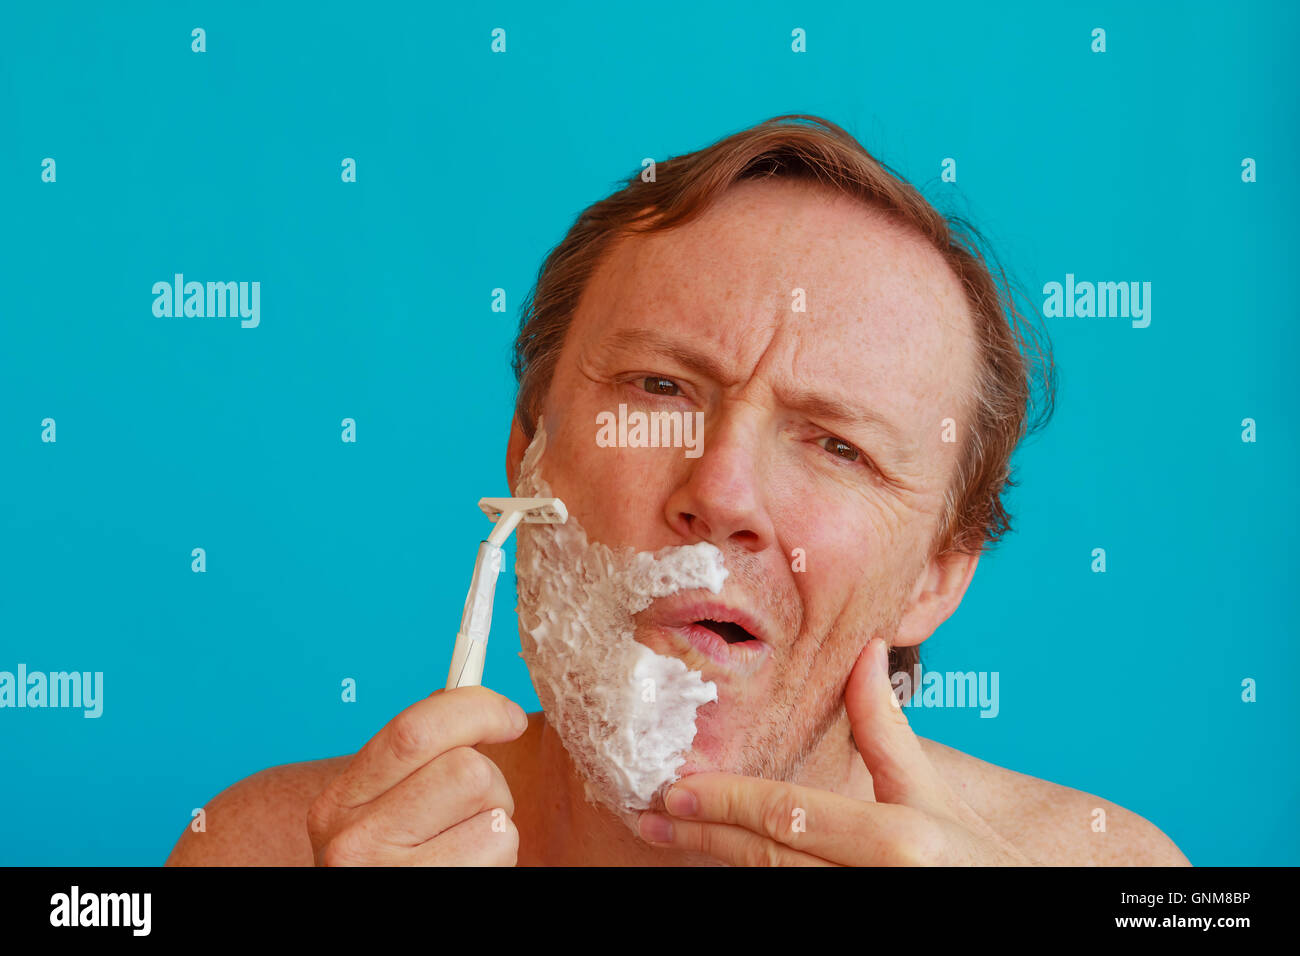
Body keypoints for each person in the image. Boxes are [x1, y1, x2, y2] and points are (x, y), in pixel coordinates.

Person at [167, 115, 1189, 866]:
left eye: (836, 445)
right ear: (530, 452)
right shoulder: (265, 849)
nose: (721, 490)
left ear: (937, 572)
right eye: (659, 388)